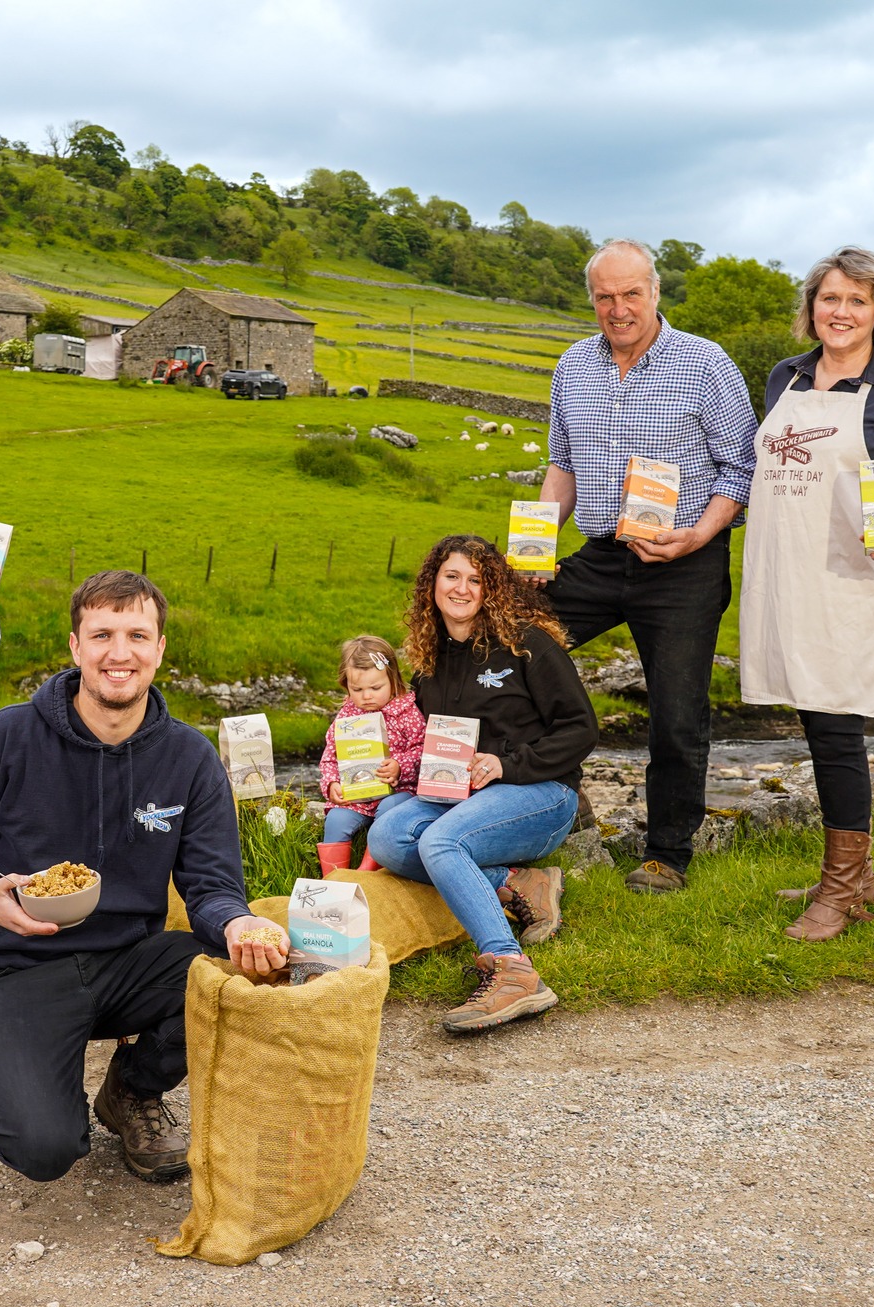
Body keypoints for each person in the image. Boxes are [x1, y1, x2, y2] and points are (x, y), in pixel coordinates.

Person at [0, 572, 290, 1184]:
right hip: (18, 964)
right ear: (75, 646)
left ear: (160, 649)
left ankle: (133, 1089)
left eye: (138, 635)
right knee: (44, 1151)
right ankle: (49, 1096)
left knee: (250, 974)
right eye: (103, 634)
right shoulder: (7, 737)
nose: (120, 653)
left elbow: (212, 887)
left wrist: (240, 921)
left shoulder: (189, 758)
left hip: (130, 960)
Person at [538, 238, 759, 895]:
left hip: (684, 562)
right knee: (513, 640)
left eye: (631, 293)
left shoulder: (705, 363)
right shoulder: (573, 366)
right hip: (604, 554)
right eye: (605, 296)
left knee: (677, 711)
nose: (618, 308)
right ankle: (542, 802)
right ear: (592, 301)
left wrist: (698, 536)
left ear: (655, 293)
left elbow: (740, 468)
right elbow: (563, 465)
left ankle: (667, 854)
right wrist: (532, 548)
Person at [743, 247, 874, 942]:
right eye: (830, 298)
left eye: (857, 301)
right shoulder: (785, 377)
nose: (841, 312)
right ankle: (851, 873)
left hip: (850, 575)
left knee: (835, 726)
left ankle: (843, 888)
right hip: (785, 570)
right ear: (812, 308)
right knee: (813, 717)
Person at [367, 536, 598, 1034]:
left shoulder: (528, 643)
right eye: (452, 576)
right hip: (462, 795)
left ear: (492, 589)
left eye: (476, 579)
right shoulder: (431, 659)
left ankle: (512, 970)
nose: (462, 588)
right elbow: (432, 742)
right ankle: (517, 883)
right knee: (386, 836)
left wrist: (508, 764)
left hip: (541, 793)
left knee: (441, 840)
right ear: (433, 584)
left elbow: (581, 728)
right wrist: (397, 766)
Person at [316, 636, 424, 876]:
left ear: (393, 681)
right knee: (336, 819)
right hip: (357, 795)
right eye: (358, 689)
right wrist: (332, 783)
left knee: (390, 811)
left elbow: (422, 751)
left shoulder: (406, 713)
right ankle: (335, 879)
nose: (367, 696)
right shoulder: (346, 718)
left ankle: (369, 873)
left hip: (399, 792)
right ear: (346, 686)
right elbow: (330, 758)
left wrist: (399, 766)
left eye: (375, 688)